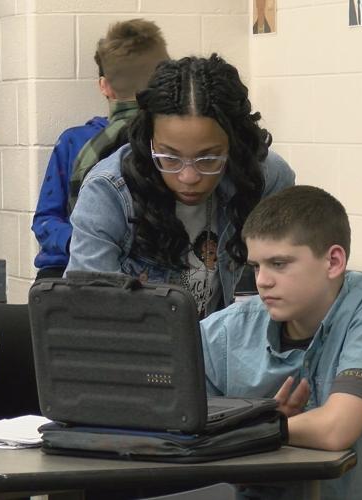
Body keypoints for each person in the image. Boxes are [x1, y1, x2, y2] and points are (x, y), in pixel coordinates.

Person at [200, 185, 362, 499]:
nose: (262, 281)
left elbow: (335, 429)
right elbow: (176, 430)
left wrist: (261, 430)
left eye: (279, 264)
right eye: (257, 266)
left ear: (333, 262)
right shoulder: (228, 329)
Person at [66, 54, 295, 318]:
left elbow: (288, 287)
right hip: (136, 351)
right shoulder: (108, 190)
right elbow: (89, 310)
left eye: (208, 158)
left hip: (222, 350)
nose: (188, 177)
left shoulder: (266, 178)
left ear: (233, 144)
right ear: (149, 140)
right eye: (169, 157)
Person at [32, 18, 169, 279]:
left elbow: (45, 221)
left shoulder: (74, 142)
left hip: (65, 274)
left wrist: (86, 241)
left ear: (104, 85)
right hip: (149, 278)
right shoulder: (174, 140)